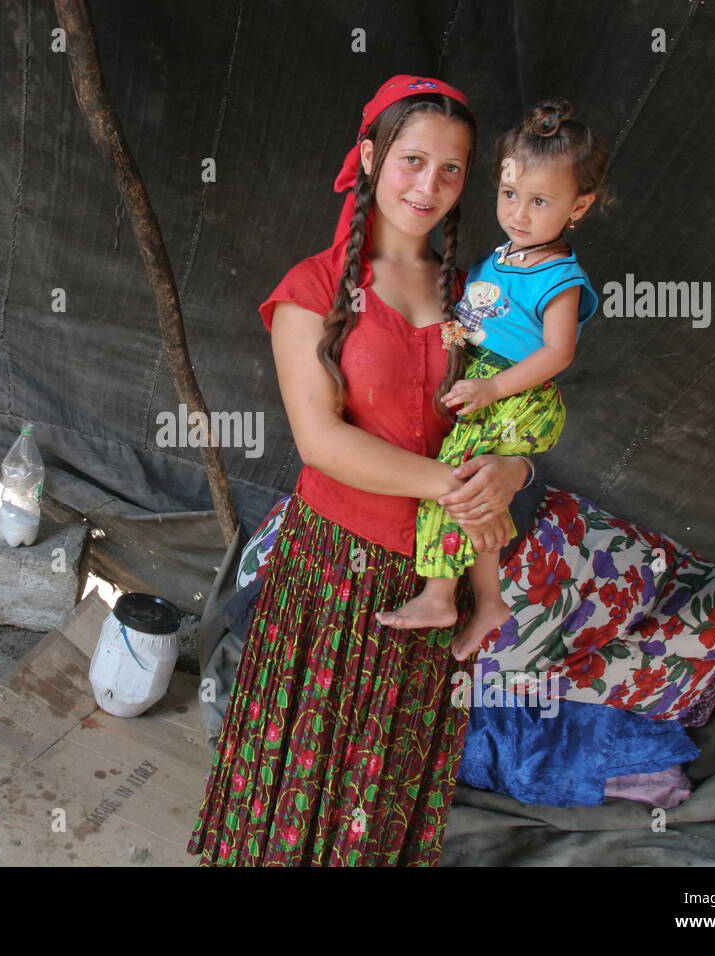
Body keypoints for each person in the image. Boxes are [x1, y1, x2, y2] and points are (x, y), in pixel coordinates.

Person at [186, 76, 533, 866]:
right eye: (413, 160)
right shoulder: (314, 288)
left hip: (437, 573)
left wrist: (511, 468)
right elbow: (321, 442)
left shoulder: (474, 299)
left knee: (382, 782)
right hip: (333, 573)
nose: (429, 186)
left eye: (451, 169)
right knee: (301, 768)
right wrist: (457, 487)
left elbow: (503, 407)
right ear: (371, 157)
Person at [377, 99, 609, 663]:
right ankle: (489, 602)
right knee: (481, 490)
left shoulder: (560, 277)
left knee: (457, 484)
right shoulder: (500, 258)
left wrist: (491, 390)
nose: (519, 214)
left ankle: (439, 597)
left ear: (579, 205)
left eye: (540, 201)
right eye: (509, 194)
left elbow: (558, 352)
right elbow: (478, 320)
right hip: (487, 388)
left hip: (517, 396)